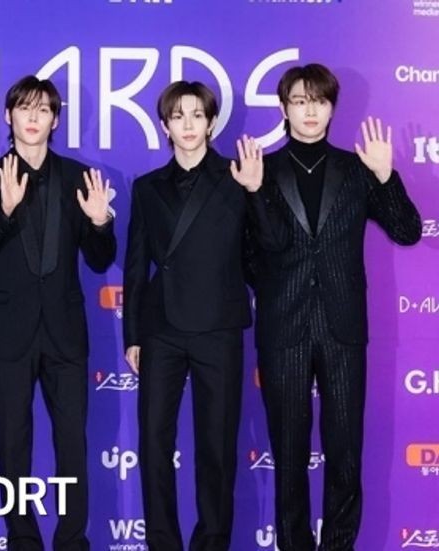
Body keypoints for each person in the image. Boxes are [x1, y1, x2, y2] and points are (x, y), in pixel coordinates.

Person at [253, 63, 421, 551]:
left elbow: (408, 230)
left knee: (345, 451)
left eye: (320, 101)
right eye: (300, 101)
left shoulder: (358, 168)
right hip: (283, 327)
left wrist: (386, 176)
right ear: (284, 108)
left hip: (343, 327)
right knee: (288, 453)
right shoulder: (261, 171)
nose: (310, 111)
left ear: (332, 108)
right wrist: (278, 287)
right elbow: (248, 254)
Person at [123, 80, 287, 550]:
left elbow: (273, 246)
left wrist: (256, 190)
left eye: (197, 115)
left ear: (212, 122)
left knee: (216, 446)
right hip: (161, 330)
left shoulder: (238, 177)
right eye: (178, 116)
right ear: (165, 127)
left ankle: (212, 543)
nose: (189, 125)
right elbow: (136, 266)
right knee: (154, 445)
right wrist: (133, 335)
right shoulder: (147, 187)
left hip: (219, 327)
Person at [0, 75, 116, 551]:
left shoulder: (79, 177)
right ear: (8, 116)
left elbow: (100, 259)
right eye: (24, 108)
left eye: (43, 109)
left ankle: (72, 541)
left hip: (65, 333)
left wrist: (100, 221)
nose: (33, 117)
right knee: (13, 446)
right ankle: (23, 541)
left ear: (55, 120)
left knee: (72, 444)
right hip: (7, 333)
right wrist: (3, 212)